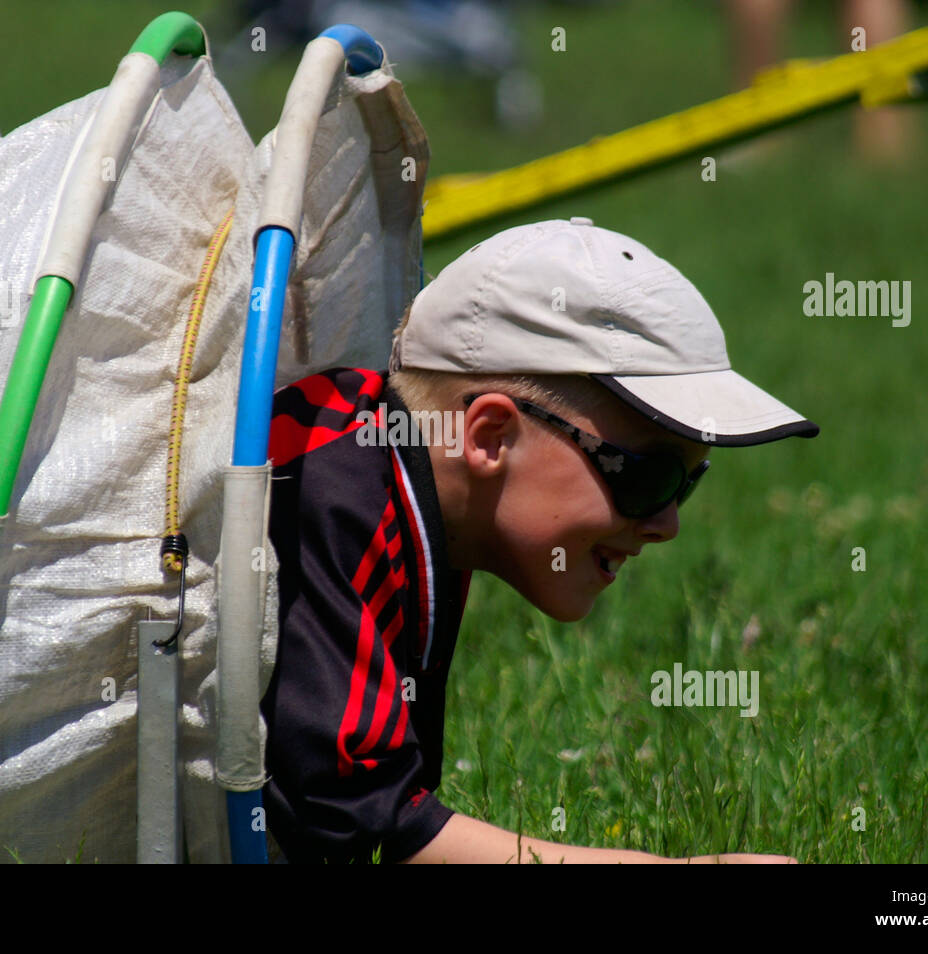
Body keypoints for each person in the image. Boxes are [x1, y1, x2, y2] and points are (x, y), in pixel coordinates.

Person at [259, 217, 817, 863]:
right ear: (490, 437)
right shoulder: (324, 499)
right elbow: (371, 824)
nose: (668, 524)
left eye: (687, 483)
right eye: (648, 476)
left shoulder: (400, 479)